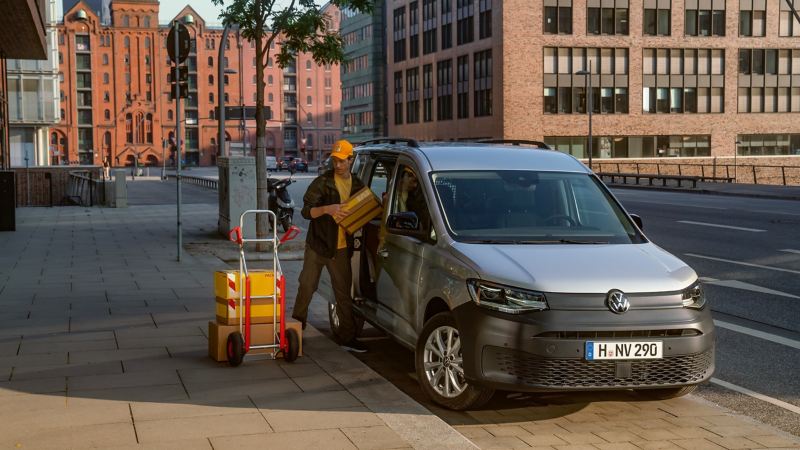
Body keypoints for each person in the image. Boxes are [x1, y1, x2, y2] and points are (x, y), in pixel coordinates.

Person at [292, 139, 368, 352]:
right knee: (307, 287)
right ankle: (295, 329)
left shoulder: (358, 185)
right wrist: (328, 209)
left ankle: (347, 338)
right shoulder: (323, 182)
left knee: (343, 293)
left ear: (351, 160)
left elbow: (366, 209)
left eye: (342, 161)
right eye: (335, 160)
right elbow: (306, 212)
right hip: (317, 245)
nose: (338, 165)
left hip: (341, 249)